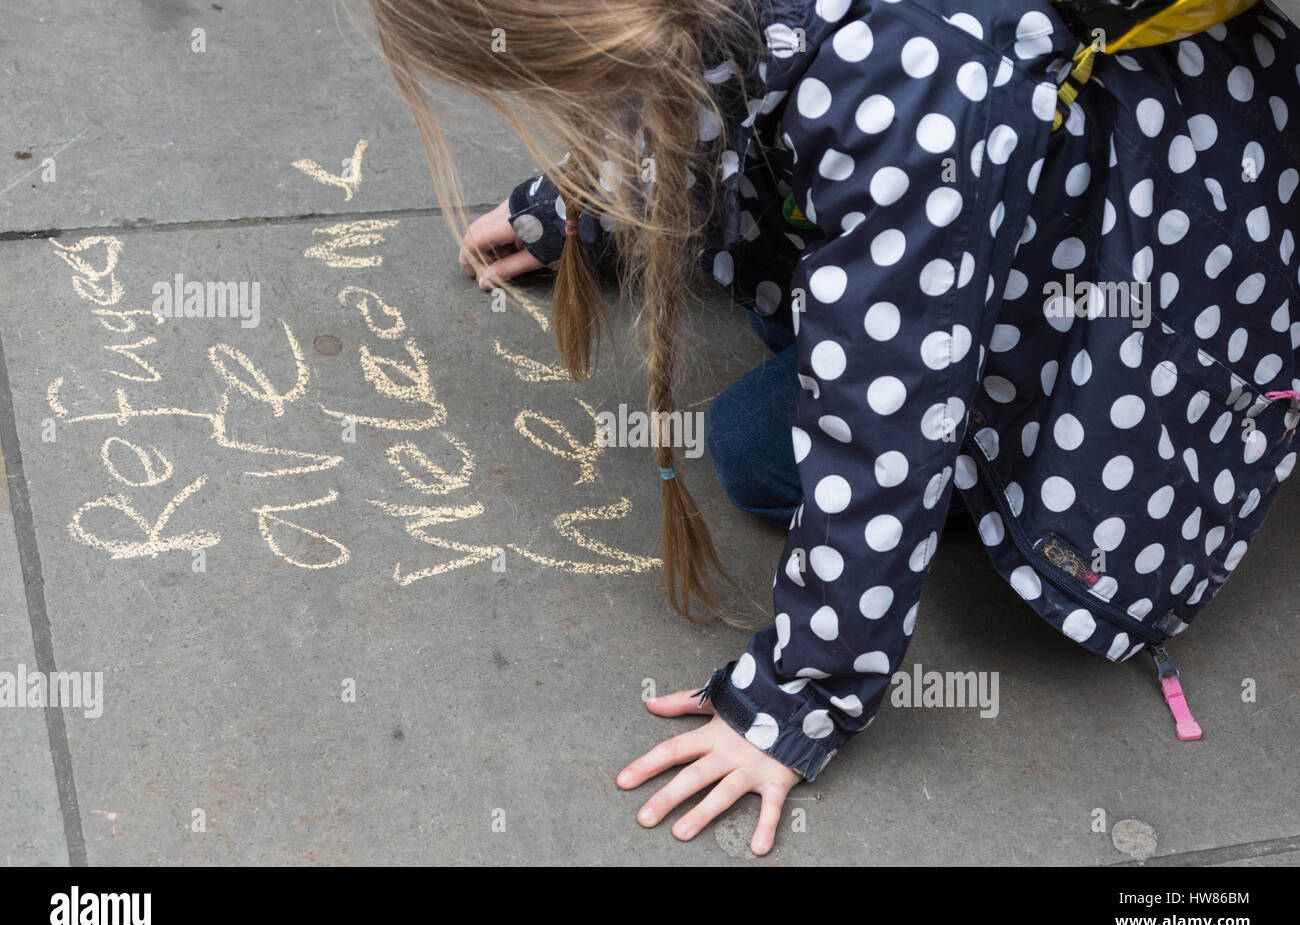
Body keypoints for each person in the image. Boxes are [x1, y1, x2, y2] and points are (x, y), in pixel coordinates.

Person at [365, 0, 1300, 855]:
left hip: (1137, 251)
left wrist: (796, 697)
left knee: (755, 451)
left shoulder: (907, 86)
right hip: (1042, 143)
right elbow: (693, 66)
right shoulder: (763, 44)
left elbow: (883, 425)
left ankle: (1007, 458)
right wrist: (582, 205)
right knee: (800, 303)